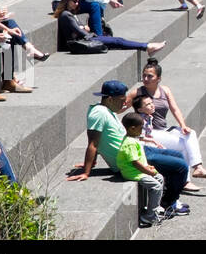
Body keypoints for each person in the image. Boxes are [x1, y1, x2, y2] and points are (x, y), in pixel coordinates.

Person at [67, 80, 189, 218]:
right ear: (110, 99)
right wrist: (86, 172)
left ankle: (169, 199)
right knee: (181, 166)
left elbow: (101, 141)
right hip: (131, 158)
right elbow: (93, 143)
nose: (125, 103)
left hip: (138, 148)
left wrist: (92, 162)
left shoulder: (107, 110)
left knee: (178, 156)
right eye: (121, 100)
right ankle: (168, 203)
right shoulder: (98, 114)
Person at [128, 58, 206, 181]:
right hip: (150, 132)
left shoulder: (165, 90)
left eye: (150, 76)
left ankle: (198, 167)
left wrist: (183, 125)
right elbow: (122, 106)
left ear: (158, 78)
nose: (145, 79)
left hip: (164, 129)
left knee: (191, 133)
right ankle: (185, 181)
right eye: (144, 76)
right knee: (183, 145)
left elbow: (175, 109)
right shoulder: (137, 92)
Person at [51, 0, 165, 54]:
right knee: (117, 40)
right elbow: (81, 32)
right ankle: (147, 46)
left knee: (117, 41)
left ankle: (146, 47)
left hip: (83, 39)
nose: (77, 4)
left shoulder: (70, 14)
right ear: (67, 1)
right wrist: (92, 34)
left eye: (78, 1)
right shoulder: (66, 15)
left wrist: (84, 29)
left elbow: (82, 28)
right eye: (74, 1)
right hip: (81, 42)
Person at [119, 111, 165, 227]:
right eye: (141, 128)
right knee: (156, 186)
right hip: (133, 173)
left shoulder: (133, 137)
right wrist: (148, 171)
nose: (142, 130)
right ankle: (149, 217)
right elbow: (135, 162)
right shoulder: (129, 143)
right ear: (133, 128)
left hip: (139, 170)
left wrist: (147, 168)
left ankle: (153, 207)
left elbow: (139, 159)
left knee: (159, 178)